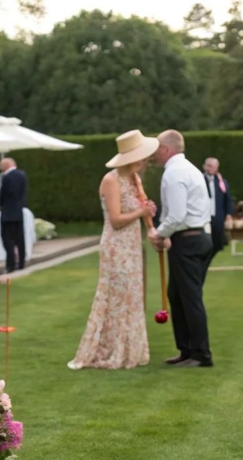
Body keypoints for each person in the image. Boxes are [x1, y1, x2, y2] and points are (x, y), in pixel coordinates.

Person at [68, 130, 157, 370]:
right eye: (140, 157)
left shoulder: (134, 179)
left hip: (132, 245)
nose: (144, 161)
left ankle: (131, 349)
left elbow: (141, 209)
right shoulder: (111, 180)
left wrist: (148, 217)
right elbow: (116, 219)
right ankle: (109, 350)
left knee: (132, 295)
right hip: (116, 245)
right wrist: (142, 212)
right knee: (116, 296)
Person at [148, 130, 213, 368]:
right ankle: (186, 350)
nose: (153, 154)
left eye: (156, 148)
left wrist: (159, 233)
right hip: (194, 238)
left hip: (188, 240)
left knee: (190, 297)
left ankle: (201, 354)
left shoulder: (174, 174)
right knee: (176, 295)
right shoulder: (190, 169)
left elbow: (176, 215)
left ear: (165, 149)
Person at [0, 157, 28, 272]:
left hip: (7, 214)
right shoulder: (22, 175)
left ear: (7, 165)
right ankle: (21, 262)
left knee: (7, 240)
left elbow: (2, 195)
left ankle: (11, 264)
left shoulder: (6, 177)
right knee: (20, 239)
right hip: (18, 212)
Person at [203, 157, 232, 268]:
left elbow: (227, 199)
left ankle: (207, 261)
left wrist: (228, 215)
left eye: (214, 166)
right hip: (204, 218)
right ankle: (203, 262)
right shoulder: (199, 179)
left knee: (217, 243)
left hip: (217, 217)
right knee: (205, 242)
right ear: (205, 166)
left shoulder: (221, 182)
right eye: (209, 166)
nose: (211, 168)